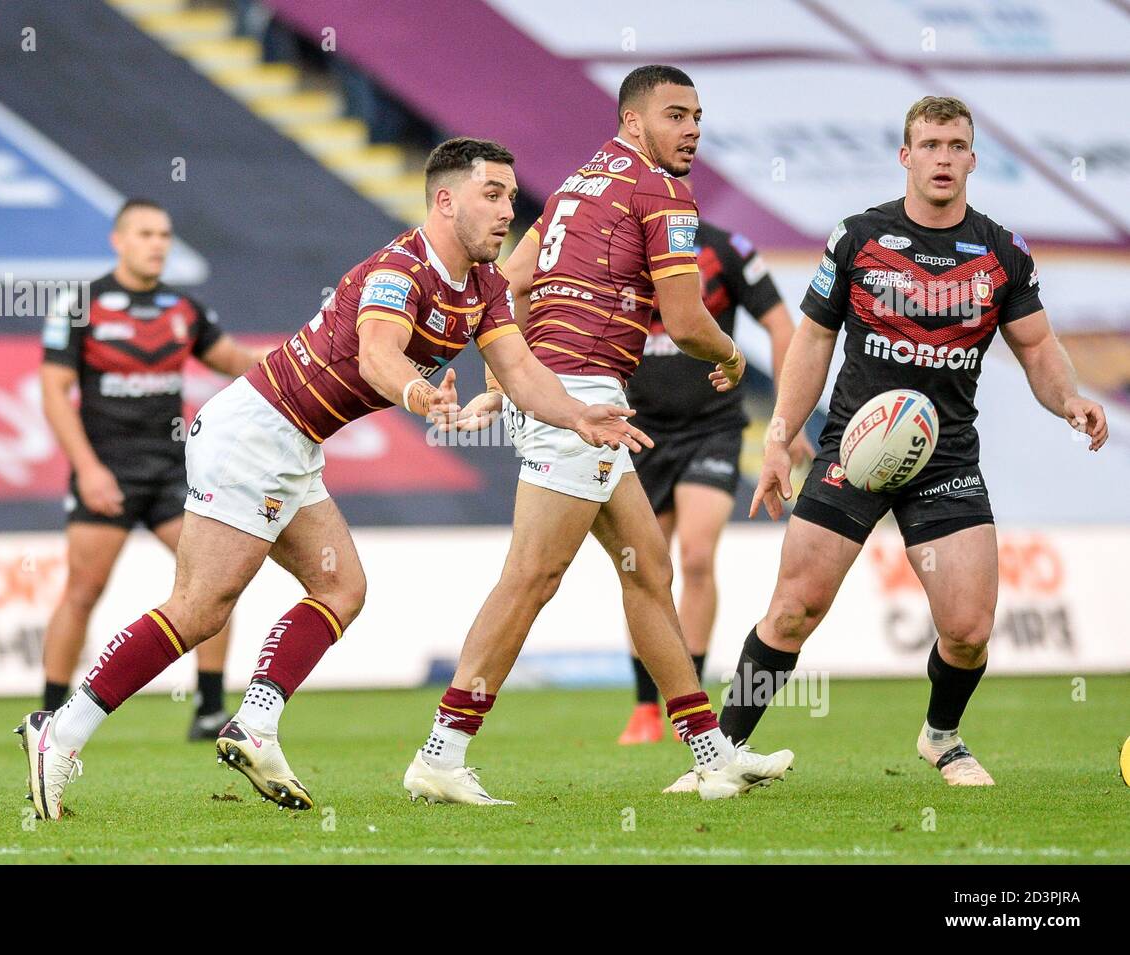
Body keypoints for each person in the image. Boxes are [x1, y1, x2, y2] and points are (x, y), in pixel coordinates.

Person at [17, 138, 648, 820]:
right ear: (445, 200)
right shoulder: (401, 268)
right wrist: (420, 395)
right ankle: (62, 731)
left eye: (510, 197)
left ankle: (255, 724)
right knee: (201, 606)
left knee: (342, 587)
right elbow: (378, 354)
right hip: (254, 433)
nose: (506, 211)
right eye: (491, 195)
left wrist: (578, 415)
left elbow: (520, 371)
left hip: (291, 442)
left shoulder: (485, 286)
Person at [402, 65, 794, 805]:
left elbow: (513, 281)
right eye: (675, 115)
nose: (692, 130)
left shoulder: (579, 183)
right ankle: (440, 753)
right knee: (532, 576)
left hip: (569, 391)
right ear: (634, 121)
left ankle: (712, 753)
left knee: (648, 568)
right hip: (582, 393)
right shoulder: (662, 192)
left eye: (697, 117)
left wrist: (510, 383)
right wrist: (733, 358)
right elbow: (686, 320)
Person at [723, 96, 1108, 785]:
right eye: (930, 145)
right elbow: (812, 341)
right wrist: (780, 435)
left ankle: (941, 736)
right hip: (854, 451)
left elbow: (1037, 347)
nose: (943, 158)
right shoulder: (857, 238)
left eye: (956, 146)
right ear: (906, 156)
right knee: (792, 609)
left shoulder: (1002, 251)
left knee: (968, 629)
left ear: (973, 160)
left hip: (946, 457)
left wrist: (1070, 399)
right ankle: (720, 751)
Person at [39, 198, 260, 741]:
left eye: (163, 234)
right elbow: (53, 392)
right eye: (145, 233)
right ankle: (48, 715)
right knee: (83, 591)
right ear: (118, 240)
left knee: (214, 582)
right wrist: (88, 469)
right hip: (106, 471)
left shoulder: (183, 309)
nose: (157, 243)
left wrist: (311, 356)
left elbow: (237, 362)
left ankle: (209, 709)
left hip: (171, 474)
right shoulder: (81, 304)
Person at [617, 220, 814, 745]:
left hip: (713, 428)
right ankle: (645, 706)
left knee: (697, 558)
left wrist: (787, 418)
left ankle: (689, 704)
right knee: (643, 570)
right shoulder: (618, 245)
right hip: (638, 430)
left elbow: (782, 326)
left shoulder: (727, 248)